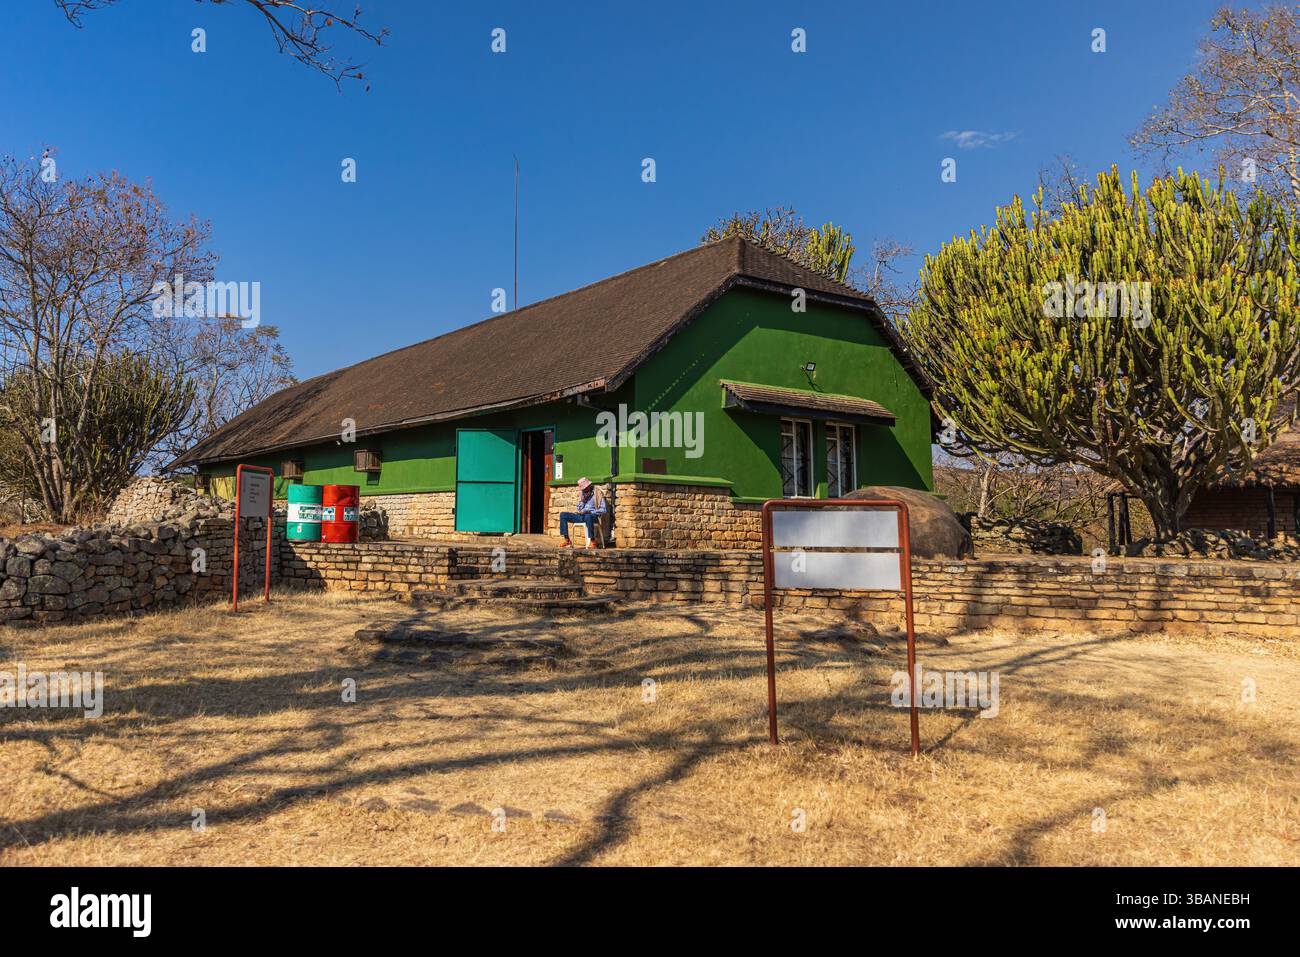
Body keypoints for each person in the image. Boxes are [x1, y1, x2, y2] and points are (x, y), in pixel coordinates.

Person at [558, 477, 606, 548]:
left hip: (592, 516)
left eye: (585, 489)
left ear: (589, 486)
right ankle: (567, 541)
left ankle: (593, 541)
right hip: (582, 516)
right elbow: (579, 508)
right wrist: (584, 500)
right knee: (563, 515)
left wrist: (590, 512)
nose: (584, 490)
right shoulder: (583, 494)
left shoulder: (597, 492)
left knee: (588, 516)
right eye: (583, 489)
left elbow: (603, 509)